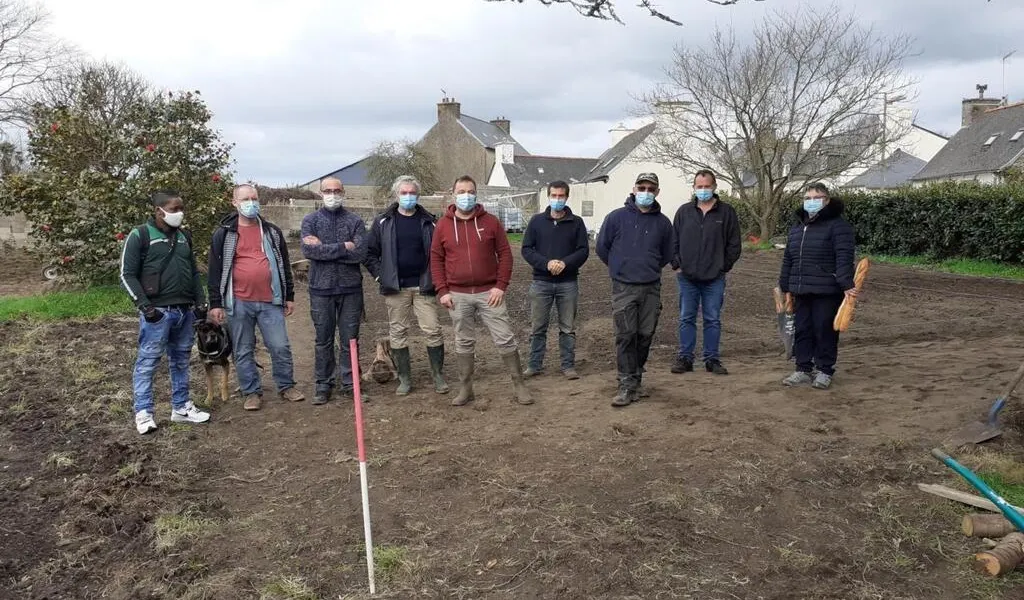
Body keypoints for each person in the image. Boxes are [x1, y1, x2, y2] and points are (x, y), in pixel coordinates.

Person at [430, 175, 532, 406]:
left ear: (476, 194)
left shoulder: (491, 221)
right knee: (463, 341)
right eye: (462, 191)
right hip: (457, 295)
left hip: (489, 293)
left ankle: (519, 385)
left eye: (470, 191)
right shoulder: (443, 226)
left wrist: (500, 286)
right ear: (453, 194)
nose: (466, 195)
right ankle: (466, 388)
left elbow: (505, 254)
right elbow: (436, 259)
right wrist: (442, 290)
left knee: (505, 338)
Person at [119, 190, 210, 434]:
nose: (179, 214)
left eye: (181, 209)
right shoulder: (140, 235)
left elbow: (192, 272)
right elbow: (126, 275)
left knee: (180, 361)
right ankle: (144, 413)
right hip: (157, 312)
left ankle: (181, 407)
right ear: (159, 211)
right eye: (173, 209)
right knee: (148, 362)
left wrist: (200, 303)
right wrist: (145, 307)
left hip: (184, 310)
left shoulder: (183, 237)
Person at [208, 184, 304, 410]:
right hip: (238, 301)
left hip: (271, 300)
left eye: (254, 198)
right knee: (243, 348)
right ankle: (251, 391)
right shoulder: (224, 234)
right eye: (245, 199)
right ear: (235, 202)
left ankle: (286, 386)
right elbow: (215, 270)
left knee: (279, 346)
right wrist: (215, 303)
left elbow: (283, 265)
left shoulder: (271, 231)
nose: (251, 203)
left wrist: (289, 295)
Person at [364, 175, 449, 396]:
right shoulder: (383, 221)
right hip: (396, 288)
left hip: (424, 286)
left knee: (432, 330)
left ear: (418, 195)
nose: (408, 196)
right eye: (404, 193)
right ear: (396, 195)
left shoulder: (430, 221)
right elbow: (369, 253)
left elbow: (442, 252)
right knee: (398, 331)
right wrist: (379, 276)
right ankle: (404, 378)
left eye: (412, 193)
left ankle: (437, 375)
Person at [596, 172, 675, 407]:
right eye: (642, 188)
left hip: (651, 287)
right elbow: (602, 248)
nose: (646, 192)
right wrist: (621, 267)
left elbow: (668, 253)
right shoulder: (616, 218)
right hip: (624, 287)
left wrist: (648, 268)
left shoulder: (663, 223)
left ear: (657, 192)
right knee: (625, 335)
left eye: (651, 189)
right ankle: (625, 384)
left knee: (645, 335)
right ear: (634, 189)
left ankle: (636, 378)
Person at [778, 182, 856, 390]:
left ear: (827, 200)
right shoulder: (797, 228)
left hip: (827, 289)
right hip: (801, 289)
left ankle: (824, 370)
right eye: (807, 198)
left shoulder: (838, 226)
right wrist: (785, 285)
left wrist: (846, 283)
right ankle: (803, 368)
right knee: (802, 329)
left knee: (824, 329)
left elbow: (844, 256)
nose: (811, 202)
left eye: (816, 198)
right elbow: (789, 258)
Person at [300, 177, 371, 405]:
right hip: (321, 289)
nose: (332, 194)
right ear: (321, 193)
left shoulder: (355, 221)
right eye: (328, 190)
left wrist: (323, 247)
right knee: (323, 339)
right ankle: (323, 384)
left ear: (344, 192)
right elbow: (310, 252)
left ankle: (351, 383)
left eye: (337, 190)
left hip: (350, 289)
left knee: (350, 339)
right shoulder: (310, 221)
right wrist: (343, 247)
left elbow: (359, 254)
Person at [670, 169, 742, 375]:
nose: (703, 190)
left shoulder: (727, 212)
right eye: (699, 186)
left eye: (706, 186)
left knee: (712, 318)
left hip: (714, 278)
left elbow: (734, 245)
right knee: (686, 317)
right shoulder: (684, 212)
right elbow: (673, 241)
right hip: (687, 277)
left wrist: (722, 266)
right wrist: (677, 264)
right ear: (694, 188)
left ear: (714, 187)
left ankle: (712, 359)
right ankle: (685, 358)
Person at [520, 180, 589, 380]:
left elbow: (583, 251)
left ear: (567, 197)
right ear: (548, 197)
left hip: (568, 283)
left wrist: (565, 263)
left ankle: (568, 366)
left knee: (567, 327)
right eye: (554, 196)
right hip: (541, 282)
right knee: (538, 326)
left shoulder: (576, 223)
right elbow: (527, 249)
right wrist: (546, 263)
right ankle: (534, 365)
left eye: (561, 196)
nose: (557, 199)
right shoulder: (536, 221)